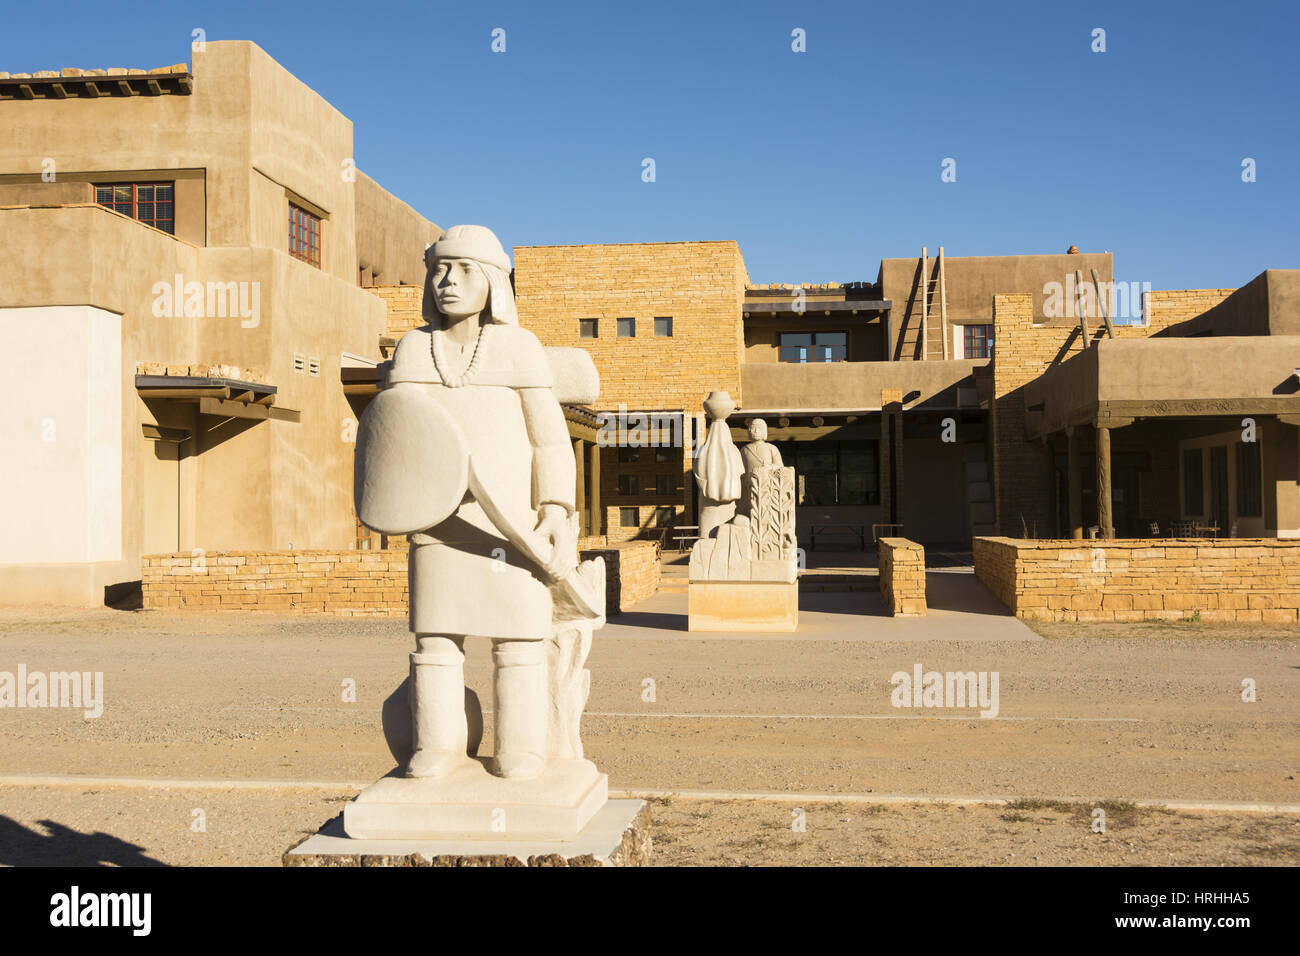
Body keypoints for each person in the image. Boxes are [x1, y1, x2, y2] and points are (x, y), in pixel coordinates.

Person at [384, 225, 576, 781]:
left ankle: (520, 747)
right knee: (437, 636)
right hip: (438, 522)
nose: (448, 281)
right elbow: (398, 436)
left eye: (464, 269)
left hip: (511, 525)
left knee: (517, 634)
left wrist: (558, 510)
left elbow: (549, 441)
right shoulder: (415, 347)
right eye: (440, 269)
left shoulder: (519, 348)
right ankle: (440, 746)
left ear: (491, 280)